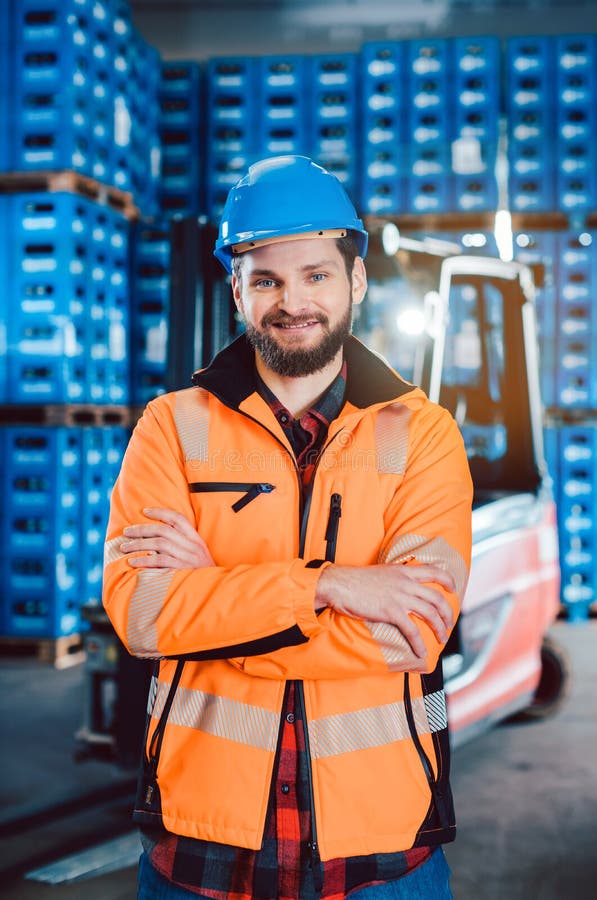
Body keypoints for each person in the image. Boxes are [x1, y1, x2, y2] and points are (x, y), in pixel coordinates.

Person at [103, 154, 473, 900]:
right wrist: (333, 585)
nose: (290, 300)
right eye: (265, 278)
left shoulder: (424, 435)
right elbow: (143, 618)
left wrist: (212, 603)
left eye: (315, 274)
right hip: (201, 850)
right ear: (235, 287)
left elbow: (411, 631)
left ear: (355, 282)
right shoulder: (169, 429)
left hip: (379, 854)